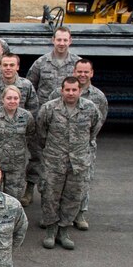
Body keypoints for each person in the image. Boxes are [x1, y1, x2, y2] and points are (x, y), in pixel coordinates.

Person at [34, 75, 102, 251]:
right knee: (50, 196)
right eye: (67, 90)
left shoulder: (90, 108)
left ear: (80, 91)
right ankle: (50, 230)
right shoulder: (49, 108)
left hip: (78, 162)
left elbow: (93, 131)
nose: (71, 93)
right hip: (54, 161)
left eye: (74, 90)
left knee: (73, 197)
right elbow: (41, 132)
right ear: (62, 90)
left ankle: (64, 230)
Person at [27, 27, 82, 101]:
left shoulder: (78, 63)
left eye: (65, 40)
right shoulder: (40, 62)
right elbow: (30, 87)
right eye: (59, 40)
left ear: (70, 41)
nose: (62, 43)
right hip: (45, 109)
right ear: (53, 40)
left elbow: (83, 86)